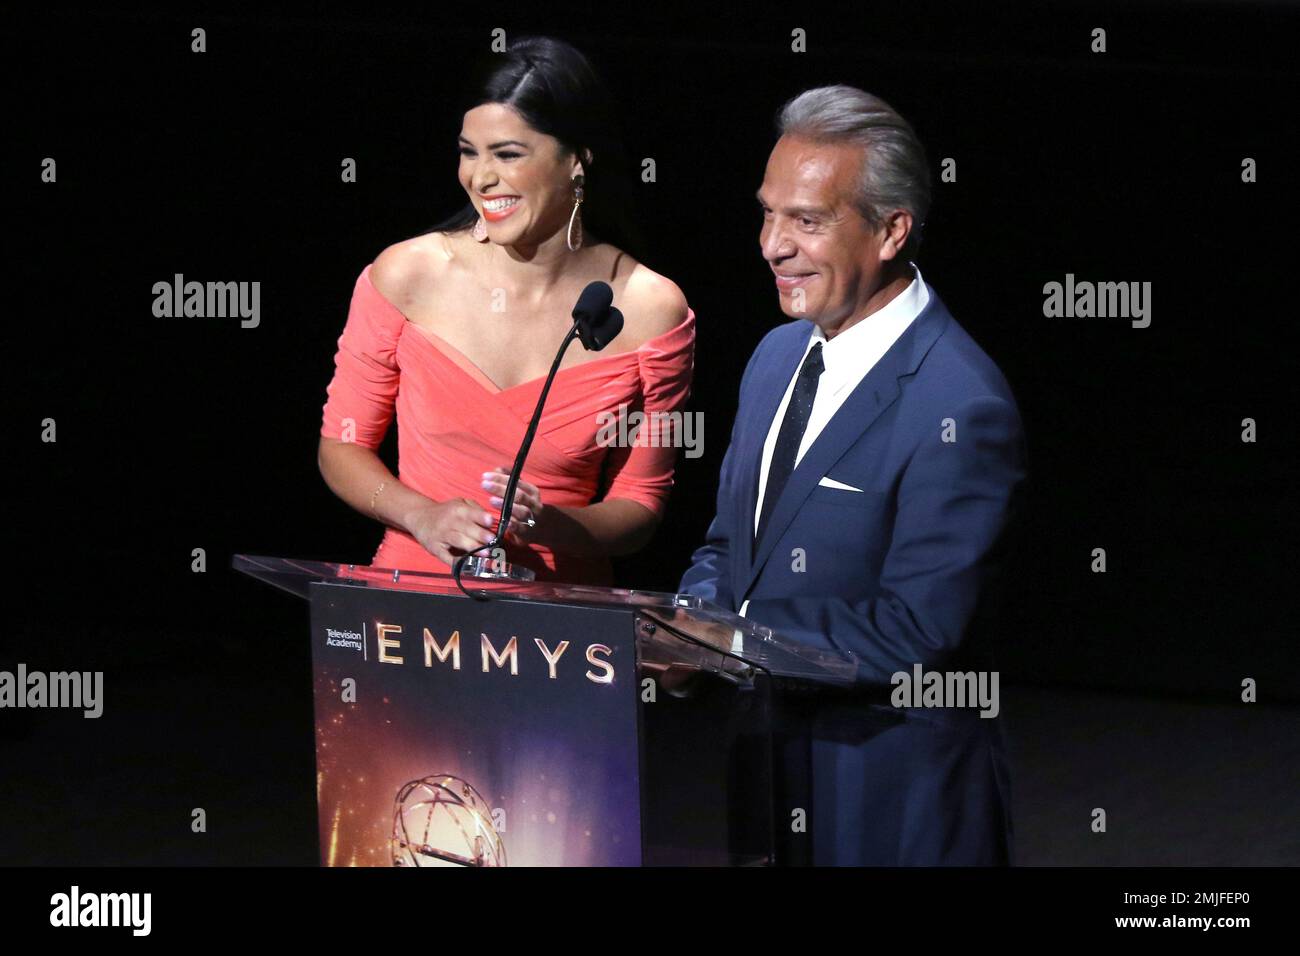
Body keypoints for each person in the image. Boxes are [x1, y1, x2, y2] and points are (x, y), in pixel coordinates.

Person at [679, 85, 1027, 865]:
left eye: (806, 220)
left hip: (892, 799)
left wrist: (728, 640)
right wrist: (681, 632)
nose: (772, 244)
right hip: (768, 780)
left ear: (891, 230)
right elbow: (732, 546)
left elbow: (919, 631)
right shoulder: (775, 356)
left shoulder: (962, 404)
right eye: (767, 213)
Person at [318, 37, 694, 585]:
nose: (480, 177)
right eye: (469, 152)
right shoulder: (406, 275)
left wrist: (549, 525)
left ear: (577, 160)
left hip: (564, 627)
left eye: (508, 154)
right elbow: (342, 448)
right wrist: (419, 515)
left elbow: (640, 504)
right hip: (412, 604)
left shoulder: (651, 308)